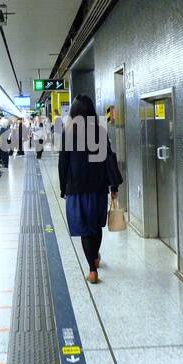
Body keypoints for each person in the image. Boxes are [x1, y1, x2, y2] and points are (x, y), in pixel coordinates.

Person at [58, 95, 123, 284]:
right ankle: (95, 256)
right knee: (96, 226)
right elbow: (109, 159)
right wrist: (114, 186)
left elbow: (64, 162)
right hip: (98, 188)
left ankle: (92, 270)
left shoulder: (68, 132)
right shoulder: (100, 131)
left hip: (77, 189)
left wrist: (64, 188)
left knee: (85, 229)